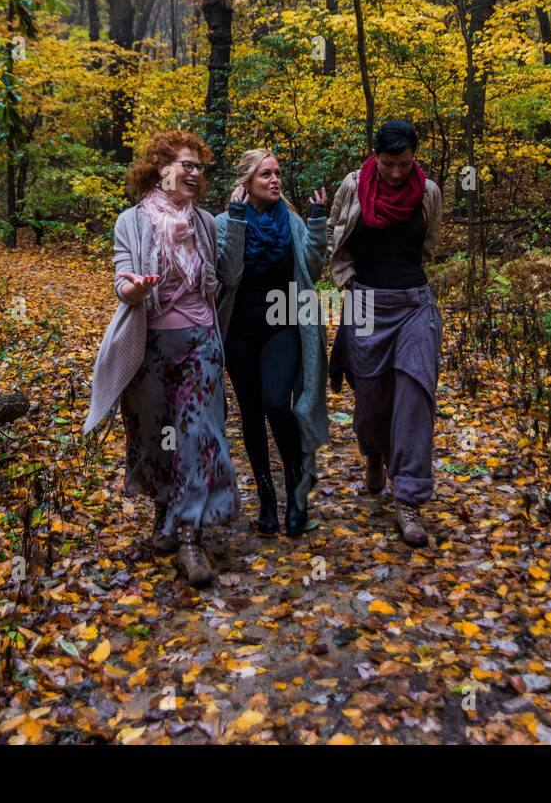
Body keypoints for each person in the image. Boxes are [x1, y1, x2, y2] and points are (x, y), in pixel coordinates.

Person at [83, 130, 239, 587]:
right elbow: (122, 280)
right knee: (155, 437)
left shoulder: (205, 222)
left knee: (195, 434)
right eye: (186, 165)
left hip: (201, 343)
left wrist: (234, 223)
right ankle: (164, 509)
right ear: (160, 168)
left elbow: (226, 277)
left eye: (199, 167)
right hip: (148, 345)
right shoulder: (130, 221)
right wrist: (135, 289)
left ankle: (190, 537)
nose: (195, 174)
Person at [327, 120, 443, 548]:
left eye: (405, 163)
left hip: (414, 304)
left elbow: (429, 241)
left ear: (415, 158)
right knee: (372, 401)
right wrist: (348, 282)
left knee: (414, 396)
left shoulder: (428, 191)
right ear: (375, 156)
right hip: (366, 305)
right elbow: (334, 232)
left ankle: (409, 499)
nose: (397, 172)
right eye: (389, 163)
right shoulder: (353, 187)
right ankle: (374, 452)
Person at [215, 149, 329, 537]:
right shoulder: (224, 221)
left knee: (276, 402)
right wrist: (235, 221)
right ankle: (266, 498)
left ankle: (297, 491)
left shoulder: (292, 221)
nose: (275, 180)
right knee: (249, 413)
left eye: (278, 173)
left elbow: (312, 269)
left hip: (283, 326)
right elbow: (228, 274)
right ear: (247, 182)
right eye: (266, 174)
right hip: (239, 333)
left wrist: (317, 221)